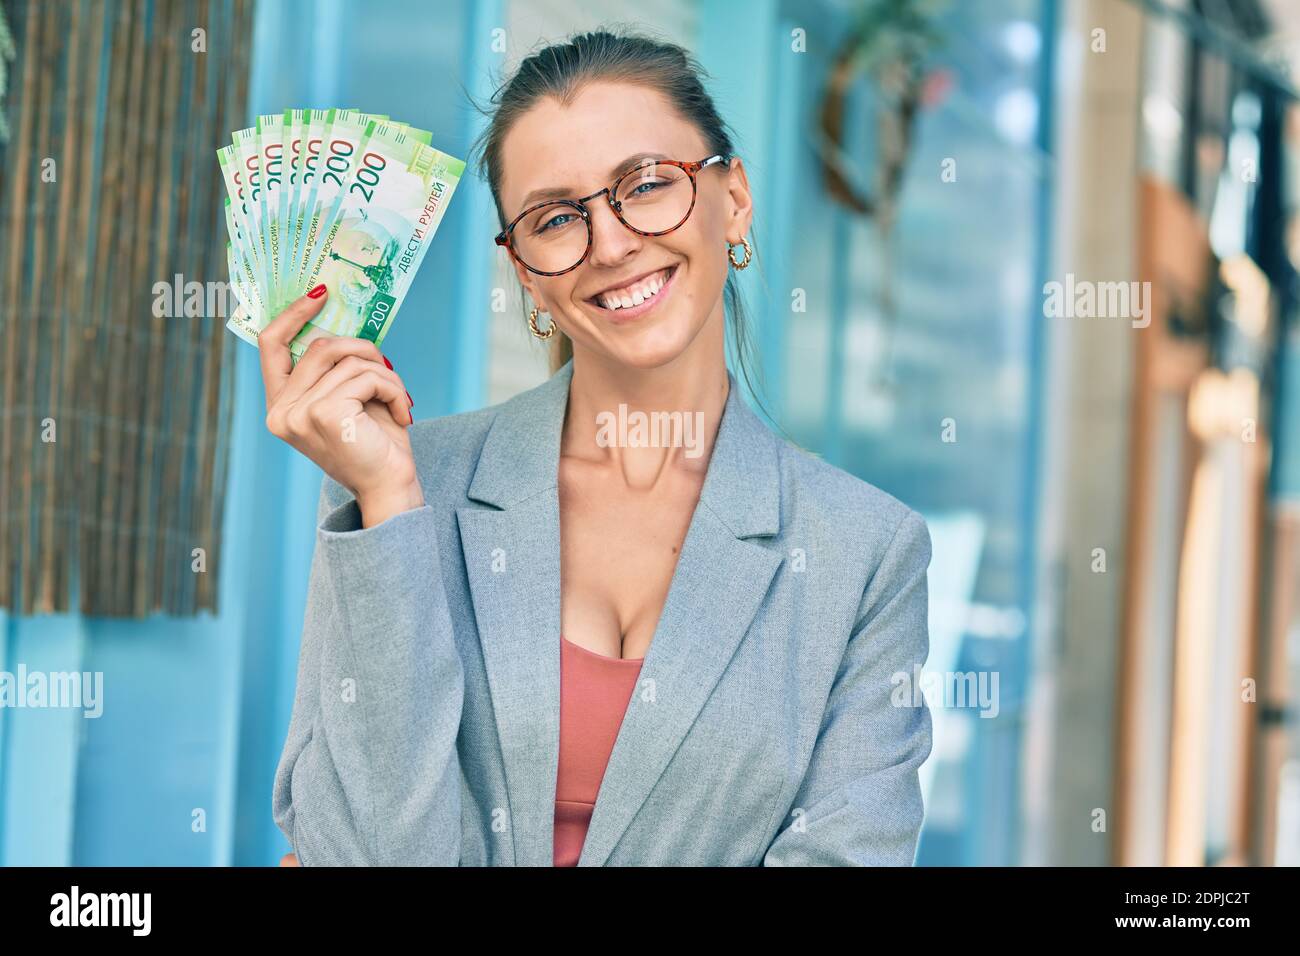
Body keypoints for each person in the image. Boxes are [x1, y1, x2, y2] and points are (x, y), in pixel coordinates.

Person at [264, 28, 932, 867]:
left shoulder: (865, 554)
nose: (611, 243)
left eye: (647, 184)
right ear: (526, 272)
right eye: (555, 218)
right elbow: (366, 853)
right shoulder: (401, 492)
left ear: (735, 200)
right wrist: (393, 501)